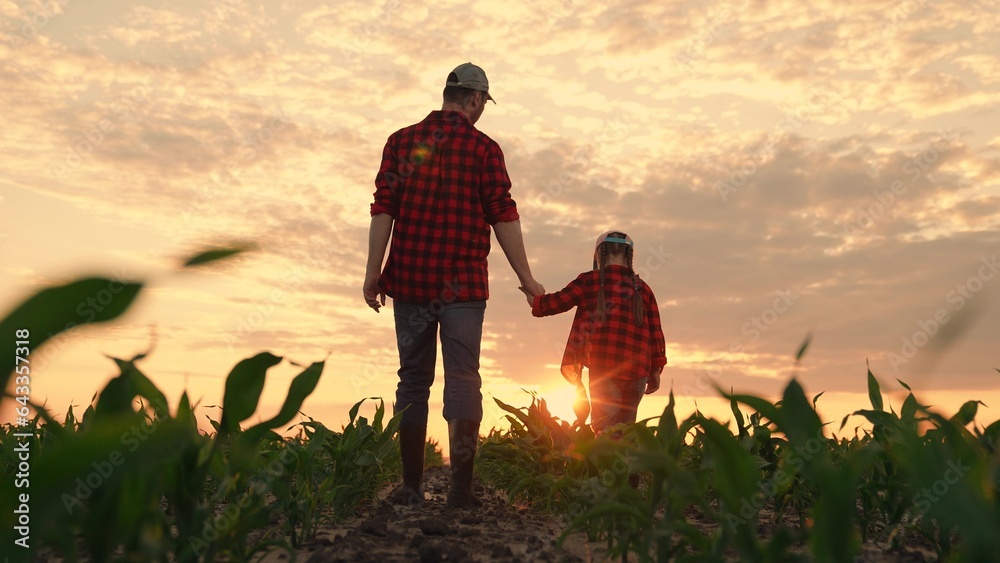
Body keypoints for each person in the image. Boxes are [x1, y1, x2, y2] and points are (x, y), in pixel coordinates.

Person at [364, 62, 544, 508]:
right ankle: (461, 492)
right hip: (463, 287)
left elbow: (383, 208)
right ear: (476, 99)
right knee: (463, 379)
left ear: (448, 93)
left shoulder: (401, 141)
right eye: (483, 103)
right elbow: (503, 213)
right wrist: (527, 279)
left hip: (409, 280)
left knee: (412, 381)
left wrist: (373, 272)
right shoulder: (485, 149)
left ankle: (410, 487)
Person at [524, 231, 666, 435]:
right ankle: (625, 467)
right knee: (626, 431)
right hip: (638, 371)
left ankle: (603, 466)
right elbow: (656, 334)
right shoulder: (643, 289)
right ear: (630, 256)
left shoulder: (588, 281)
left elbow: (558, 302)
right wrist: (655, 372)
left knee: (604, 429)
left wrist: (536, 301)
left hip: (604, 366)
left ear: (599, 255)